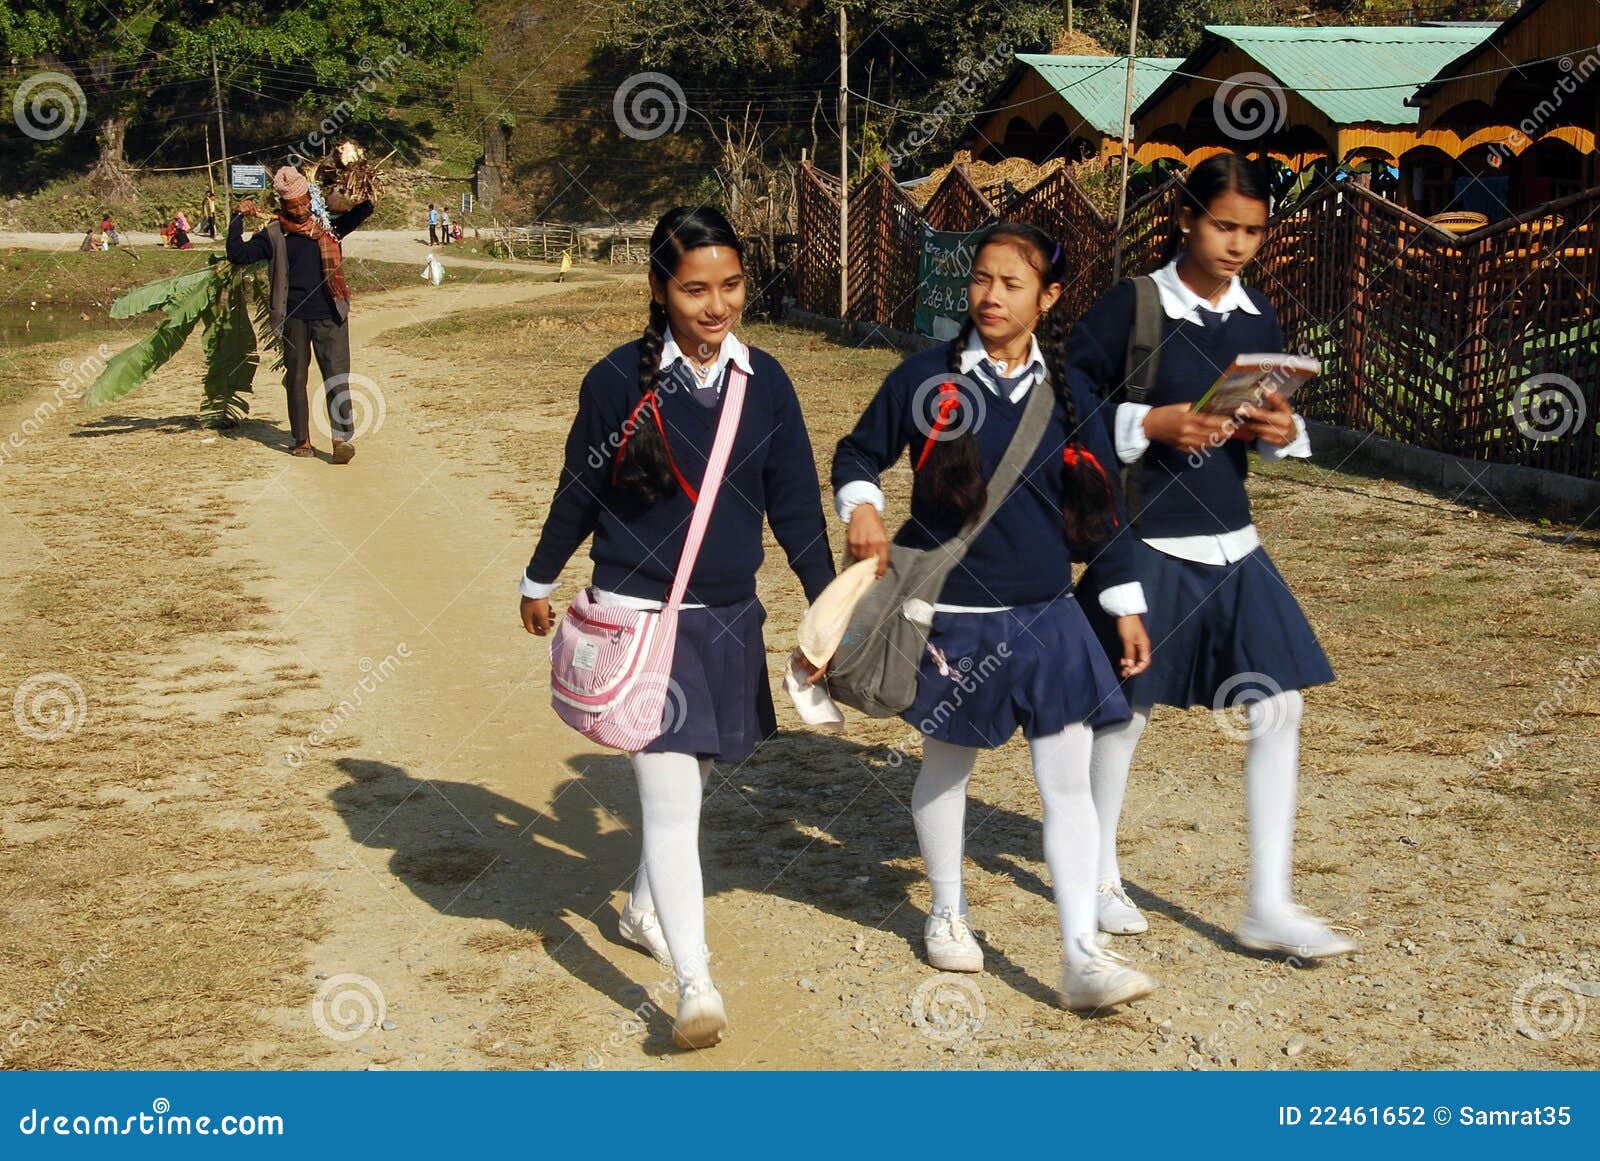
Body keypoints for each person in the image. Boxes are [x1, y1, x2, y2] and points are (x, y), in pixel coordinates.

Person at [519, 206, 835, 1049]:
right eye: (695, 288)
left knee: (691, 785)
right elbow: (579, 492)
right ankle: (694, 982)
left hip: (726, 620)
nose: (716, 304)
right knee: (669, 802)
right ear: (660, 288)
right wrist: (539, 573)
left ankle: (641, 906)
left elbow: (797, 504)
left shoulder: (765, 383)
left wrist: (827, 601)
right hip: (639, 618)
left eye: (730, 284)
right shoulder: (616, 382)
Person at [832, 221, 1159, 1012]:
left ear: (1047, 298)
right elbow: (855, 452)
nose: (990, 296)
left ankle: (1080, 951)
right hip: (951, 617)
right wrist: (864, 510)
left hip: (1048, 618)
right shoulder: (924, 380)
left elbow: (1100, 511)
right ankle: (947, 912)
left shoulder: (1075, 392)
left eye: (1012, 283)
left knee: (1069, 785)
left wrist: (1122, 605)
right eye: (981, 278)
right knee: (946, 768)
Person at [1070, 152, 1353, 960]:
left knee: (1280, 705)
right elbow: (1071, 395)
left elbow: (1257, 414)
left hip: (1234, 539)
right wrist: (1148, 424)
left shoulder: (1257, 314)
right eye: (1224, 225)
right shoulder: (1132, 304)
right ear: (1186, 218)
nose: (1237, 244)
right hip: (1146, 534)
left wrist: (1282, 432)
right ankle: (1095, 874)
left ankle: (1268, 902)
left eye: (1253, 232)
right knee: (1124, 714)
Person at [226, 164, 374, 463]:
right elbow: (237, 255)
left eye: (305, 202)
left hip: (330, 313)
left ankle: (341, 439)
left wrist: (361, 180)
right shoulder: (273, 235)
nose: (301, 210)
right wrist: (237, 218)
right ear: (282, 205)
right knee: (296, 378)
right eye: (293, 206)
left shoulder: (330, 227)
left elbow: (364, 209)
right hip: (293, 316)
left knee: (336, 375)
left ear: (311, 197)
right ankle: (301, 439)